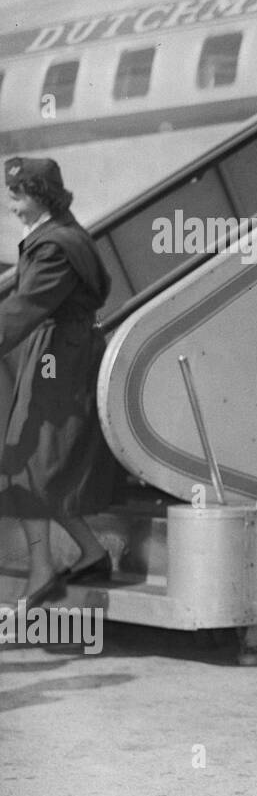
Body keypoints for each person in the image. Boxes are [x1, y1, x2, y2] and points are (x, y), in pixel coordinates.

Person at [0, 158, 114, 605]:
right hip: (57, 355)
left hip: (60, 361)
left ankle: (43, 571)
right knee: (32, 463)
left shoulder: (54, 247)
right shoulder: (57, 236)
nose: (10, 201)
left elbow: (23, 307)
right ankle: (91, 552)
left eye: (17, 193)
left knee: (31, 462)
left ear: (40, 196)